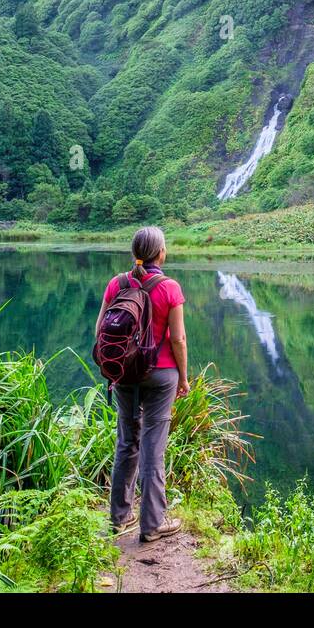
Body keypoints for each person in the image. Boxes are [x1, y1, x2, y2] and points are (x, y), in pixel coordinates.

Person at [97, 226, 189, 541]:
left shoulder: (117, 284)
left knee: (126, 440)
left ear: (134, 253)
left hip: (123, 372)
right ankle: (152, 525)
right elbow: (177, 339)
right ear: (160, 253)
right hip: (162, 375)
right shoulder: (169, 287)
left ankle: (119, 517)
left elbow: (100, 329)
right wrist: (184, 378)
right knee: (154, 446)